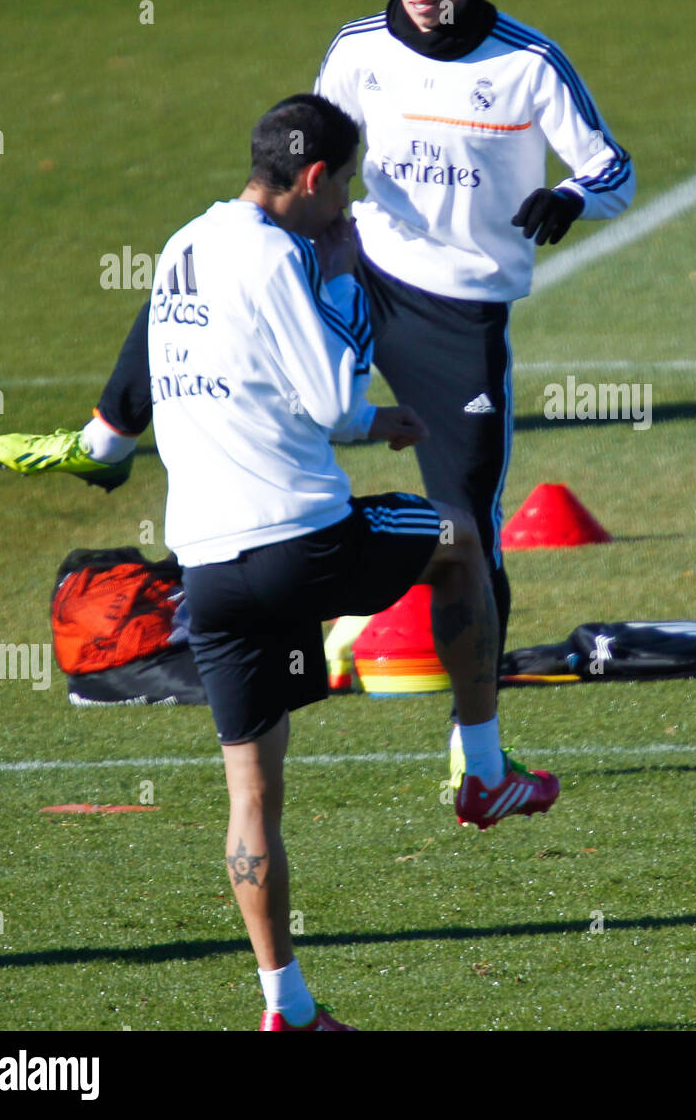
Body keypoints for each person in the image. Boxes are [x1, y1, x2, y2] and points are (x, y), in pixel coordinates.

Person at [0, 0, 635, 681]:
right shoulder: (360, 50)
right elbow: (308, 147)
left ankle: (477, 746)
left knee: (465, 525)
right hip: (359, 263)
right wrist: (286, 231)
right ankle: (106, 440)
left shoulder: (528, 63)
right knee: (193, 273)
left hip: (459, 316)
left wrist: (571, 196)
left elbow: (614, 169)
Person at [149, 94, 559, 1031]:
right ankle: (485, 769)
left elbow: (231, 376)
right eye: (345, 191)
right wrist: (342, 280)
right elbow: (333, 396)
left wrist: (372, 420)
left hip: (207, 567)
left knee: (253, 794)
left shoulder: (183, 246)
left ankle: (285, 1006)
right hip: (299, 539)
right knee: (457, 538)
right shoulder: (287, 253)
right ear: (312, 178)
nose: (349, 211)